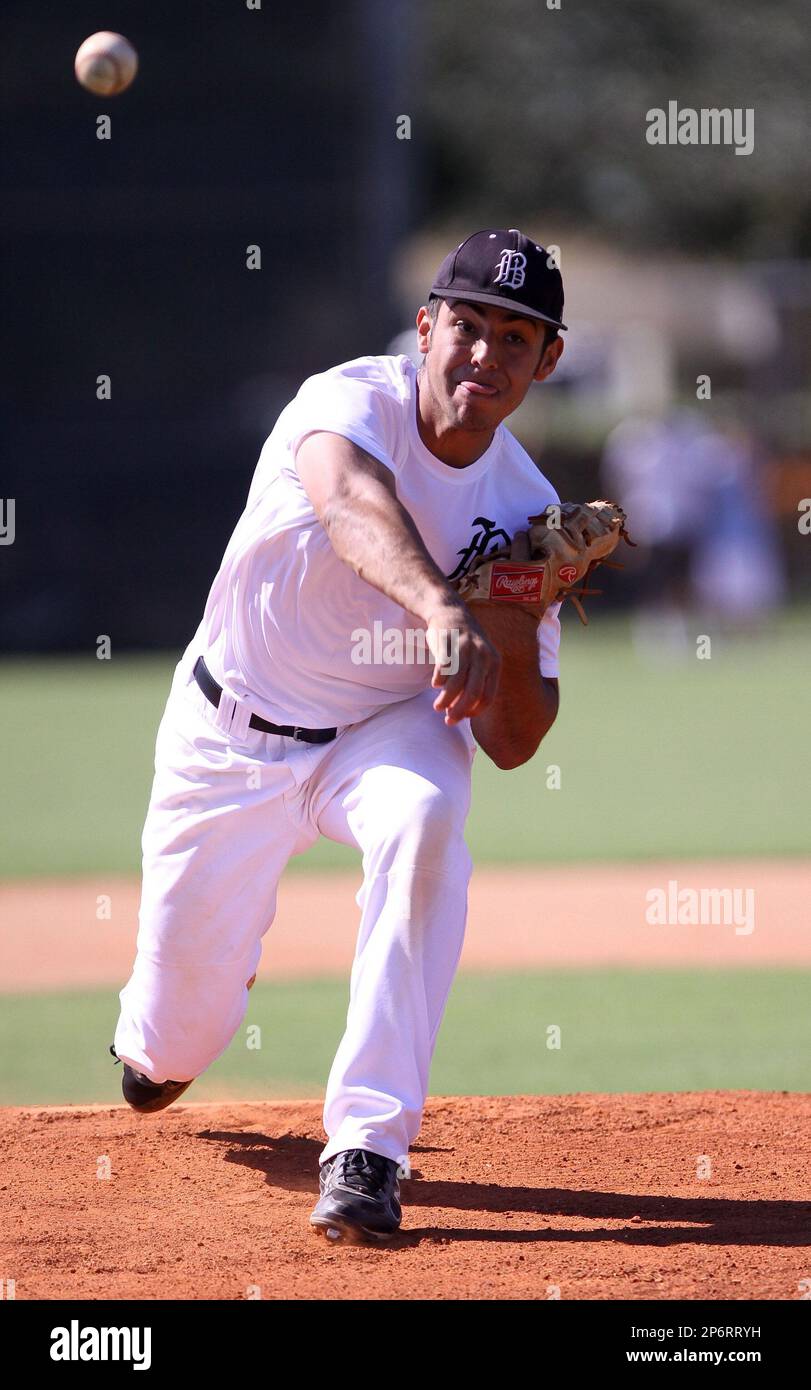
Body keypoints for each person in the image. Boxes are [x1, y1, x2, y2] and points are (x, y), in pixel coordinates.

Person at [111, 228, 567, 1244]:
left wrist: (510, 619)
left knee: (429, 817)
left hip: (382, 730)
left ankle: (368, 1147)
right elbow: (352, 504)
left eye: (514, 337)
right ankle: (171, 1024)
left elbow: (513, 742)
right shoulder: (345, 400)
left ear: (548, 361)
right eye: (466, 325)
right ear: (425, 328)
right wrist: (443, 609)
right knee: (171, 1047)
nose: (484, 355)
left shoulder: (528, 508)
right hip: (228, 729)